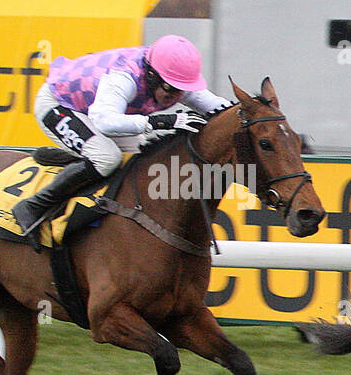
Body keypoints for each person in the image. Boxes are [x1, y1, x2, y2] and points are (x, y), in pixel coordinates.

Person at [12, 35, 231, 243]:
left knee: (144, 156)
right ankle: (33, 206)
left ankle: (77, 159)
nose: (175, 97)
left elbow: (221, 109)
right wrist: (159, 122)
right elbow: (103, 121)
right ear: (152, 75)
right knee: (107, 159)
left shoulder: (171, 79)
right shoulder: (125, 77)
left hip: (95, 110)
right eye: (171, 89)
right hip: (60, 105)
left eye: (182, 91)